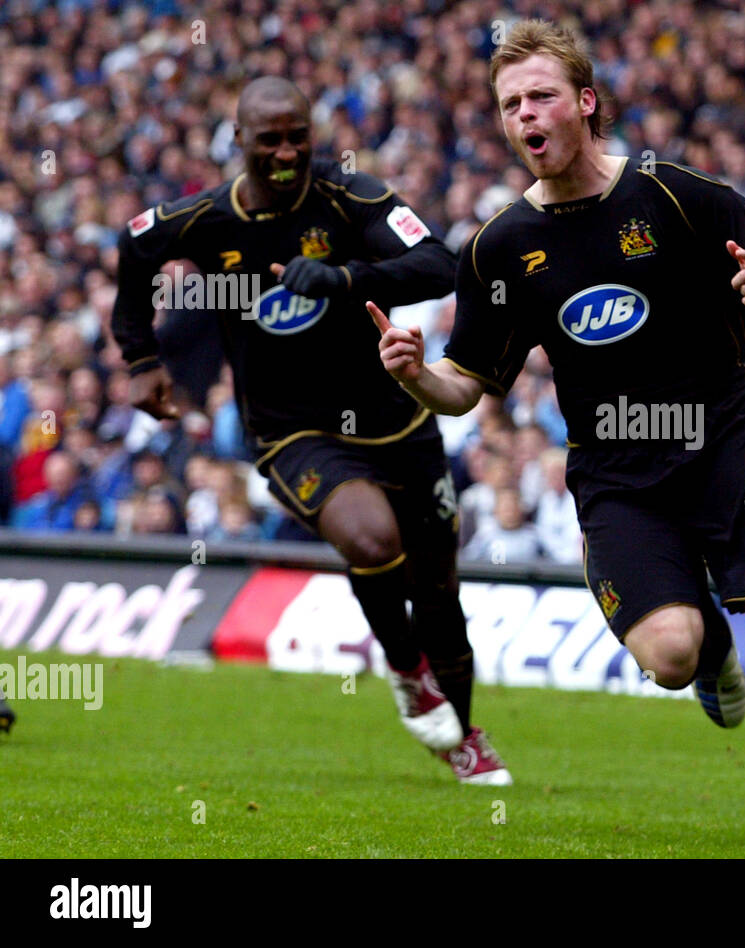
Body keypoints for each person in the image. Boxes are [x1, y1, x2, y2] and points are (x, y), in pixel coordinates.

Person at [368, 20, 745, 851]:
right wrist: (414, 375)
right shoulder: (502, 247)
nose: (524, 116)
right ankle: (710, 634)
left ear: (586, 102)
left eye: (540, 96)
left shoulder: (674, 192)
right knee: (673, 655)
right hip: (616, 472)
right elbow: (464, 389)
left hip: (724, 439)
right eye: (510, 105)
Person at [110, 76, 510, 785]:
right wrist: (140, 356)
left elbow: (441, 263)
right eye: (271, 139)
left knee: (441, 597)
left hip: (399, 421)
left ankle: (463, 739)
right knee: (370, 537)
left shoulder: (349, 197)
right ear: (240, 142)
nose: (288, 151)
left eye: (300, 136)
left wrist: (346, 278)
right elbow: (135, 247)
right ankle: (406, 670)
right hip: (291, 431)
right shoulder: (205, 220)